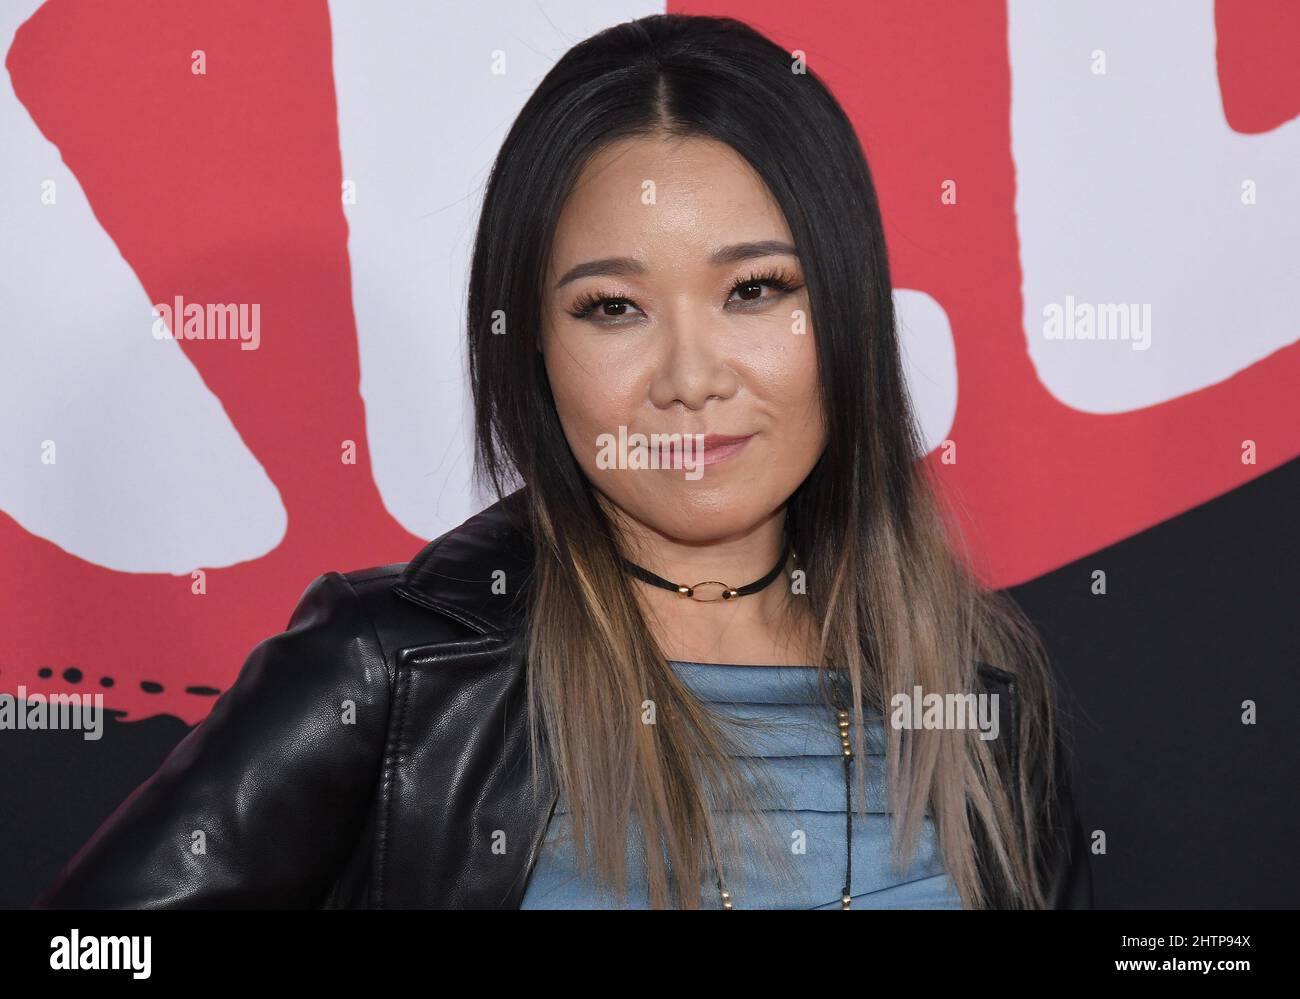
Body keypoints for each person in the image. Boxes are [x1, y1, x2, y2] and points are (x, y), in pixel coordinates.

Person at [34, 12, 1092, 910]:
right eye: (613, 307)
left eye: (756, 290)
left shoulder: (978, 697)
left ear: (851, 311)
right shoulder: (400, 674)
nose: (690, 376)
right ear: (531, 344)